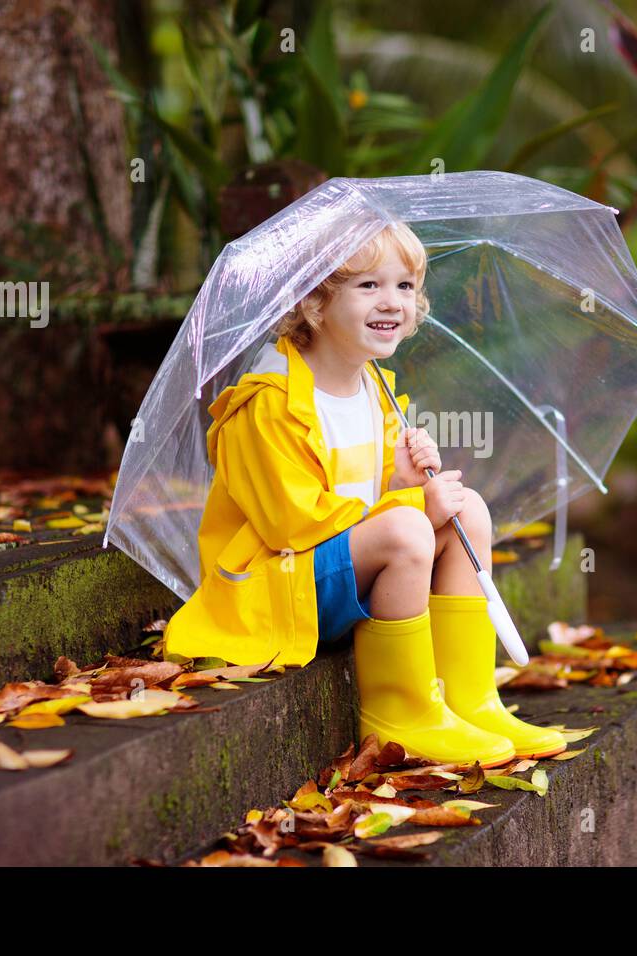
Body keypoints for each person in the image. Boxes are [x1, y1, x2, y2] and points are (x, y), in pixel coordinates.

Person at [164, 222, 565, 768]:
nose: (392, 301)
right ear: (314, 302)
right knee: (409, 527)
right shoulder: (268, 403)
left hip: (343, 571)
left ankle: (469, 700)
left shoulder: (374, 388)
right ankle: (401, 712)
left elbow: (374, 507)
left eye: (405, 286)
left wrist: (402, 483)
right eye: (368, 285)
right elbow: (293, 526)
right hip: (284, 585)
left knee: (467, 509)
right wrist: (410, 506)